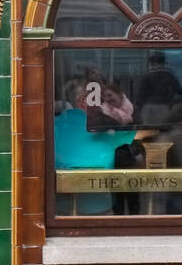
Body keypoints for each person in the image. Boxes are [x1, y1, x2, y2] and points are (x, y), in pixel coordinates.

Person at [54, 77, 137, 215]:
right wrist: (117, 109)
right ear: (85, 101)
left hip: (61, 210)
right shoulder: (107, 128)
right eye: (99, 99)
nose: (103, 103)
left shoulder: (55, 124)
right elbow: (135, 129)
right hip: (100, 208)